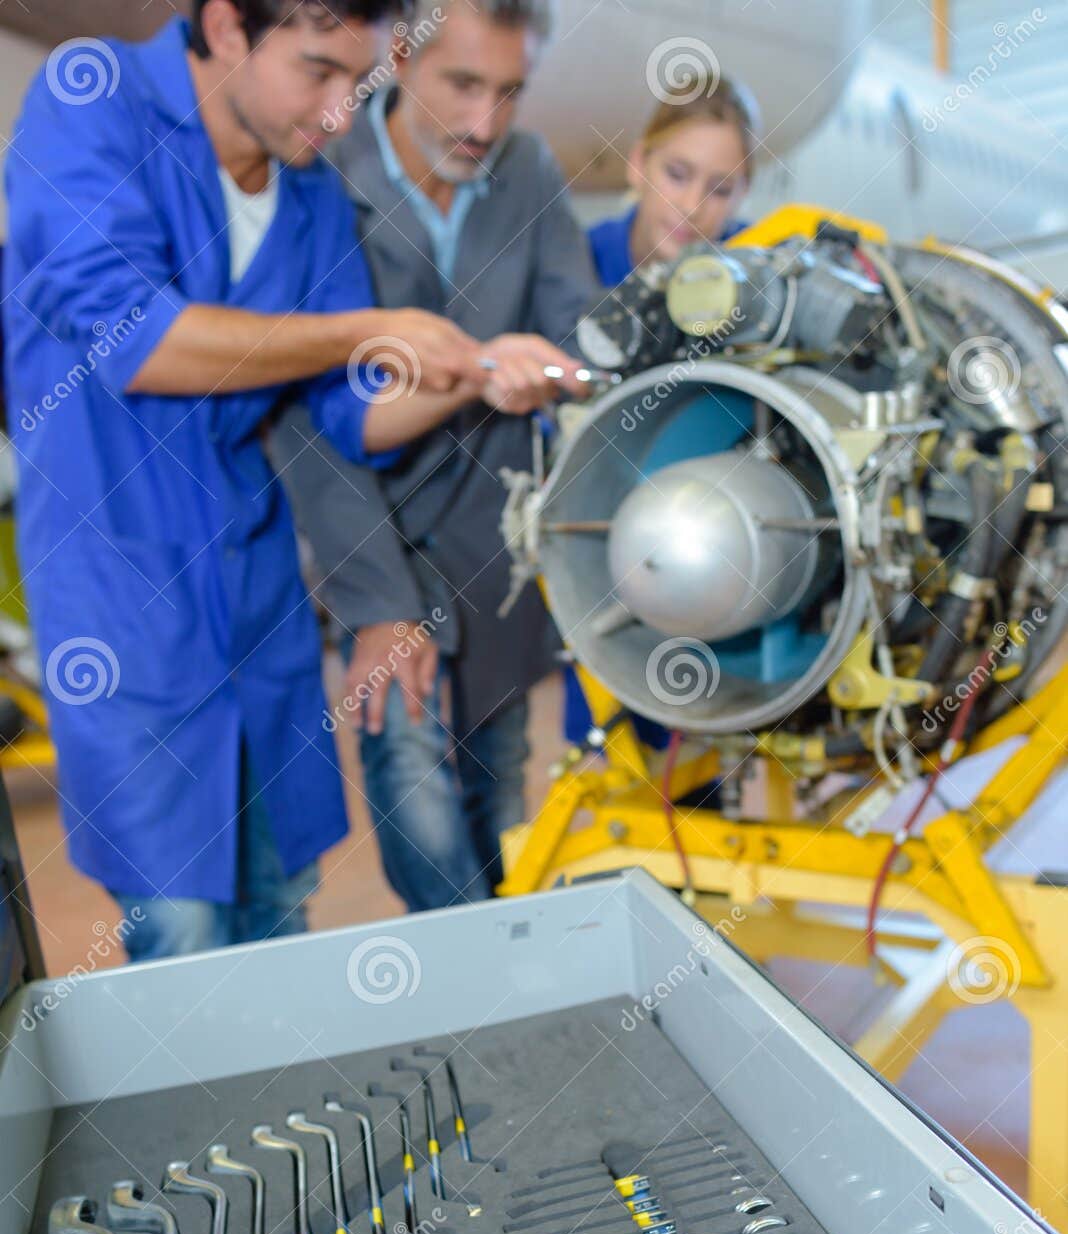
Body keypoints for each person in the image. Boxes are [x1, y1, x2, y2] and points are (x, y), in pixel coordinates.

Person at [3, 0, 566, 961]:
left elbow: (350, 413)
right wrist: (364, 332)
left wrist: (471, 371)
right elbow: (134, 338)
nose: (343, 113)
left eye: (362, 82)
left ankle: (272, 1117)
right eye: (318, 72)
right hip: (122, 591)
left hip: (257, 591)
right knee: (179, 920)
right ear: (226, 27)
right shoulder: (92, 101)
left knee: (277, 909)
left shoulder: (306, 193)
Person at [277, 0, 597, 913]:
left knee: (496, 783)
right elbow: (309, 423)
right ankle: (488, 992)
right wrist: (378, 607)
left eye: (509, 92)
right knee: (412, 786)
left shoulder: (528, 170)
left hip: (489, 540)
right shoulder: (323, 177)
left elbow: (581, 340)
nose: (484, 124)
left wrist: (560, 368)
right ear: (402, 55)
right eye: (464, 85)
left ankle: (497, 991)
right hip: (370, 533)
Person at [567, 73, 761, 746]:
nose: (692, 207)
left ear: (743, 197)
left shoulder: (755, 280)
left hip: (716, 536)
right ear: (637, 164)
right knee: (604, 726)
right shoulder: (576, 268)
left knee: (718, 741)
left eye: (720, 189)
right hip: (596, 539)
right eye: (677, 174)